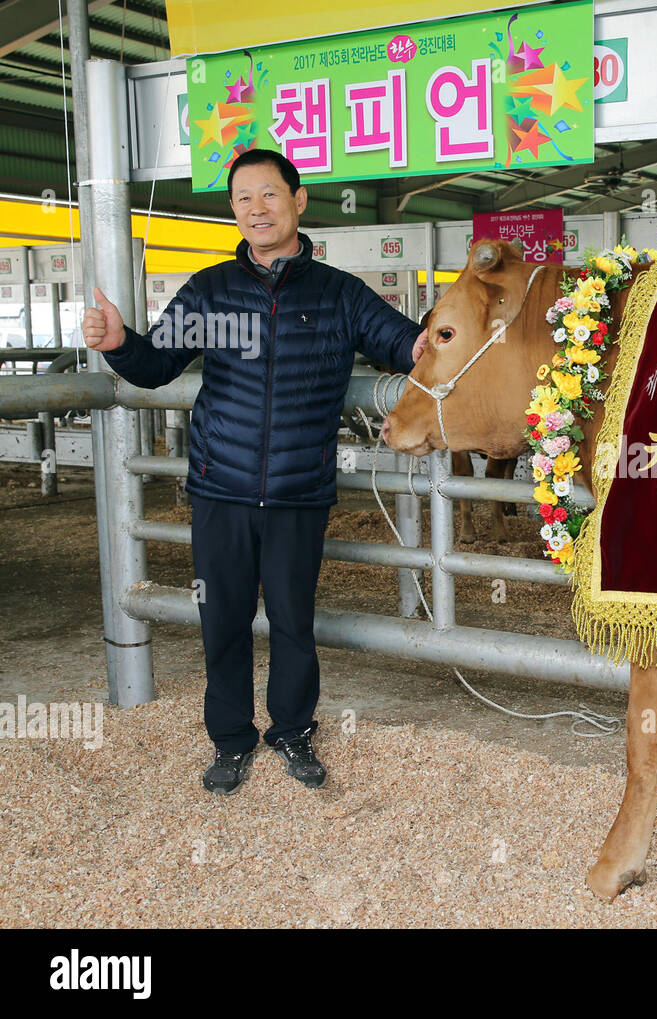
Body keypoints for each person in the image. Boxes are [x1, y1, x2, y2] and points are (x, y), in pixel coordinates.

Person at [82, 148, 429, 795]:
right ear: (234, 211)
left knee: (295, 621)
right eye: (243, 198)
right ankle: (231, 739)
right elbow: (157, 364)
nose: (256, 208)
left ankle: (293, 731)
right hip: (221, 488)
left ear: (298, 201)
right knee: (224, 619)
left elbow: (410, 346)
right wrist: (116, 343)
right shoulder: (211, 289)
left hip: (300, 492)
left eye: (269, 194)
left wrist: (458, 329)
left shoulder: (341, 295)